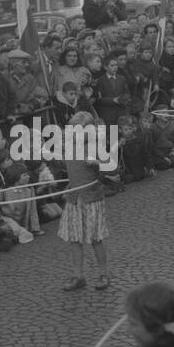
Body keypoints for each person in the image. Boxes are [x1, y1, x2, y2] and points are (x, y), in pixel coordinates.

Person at [59, 111, 110, 292]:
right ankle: (78, 276)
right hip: (74, 199)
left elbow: (113, 168)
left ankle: (103, 274)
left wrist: (97, 163)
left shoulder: (95, 147)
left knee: (95, 239)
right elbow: (72, 171)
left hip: (91, 199)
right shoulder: (69, 147)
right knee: (75, 239)